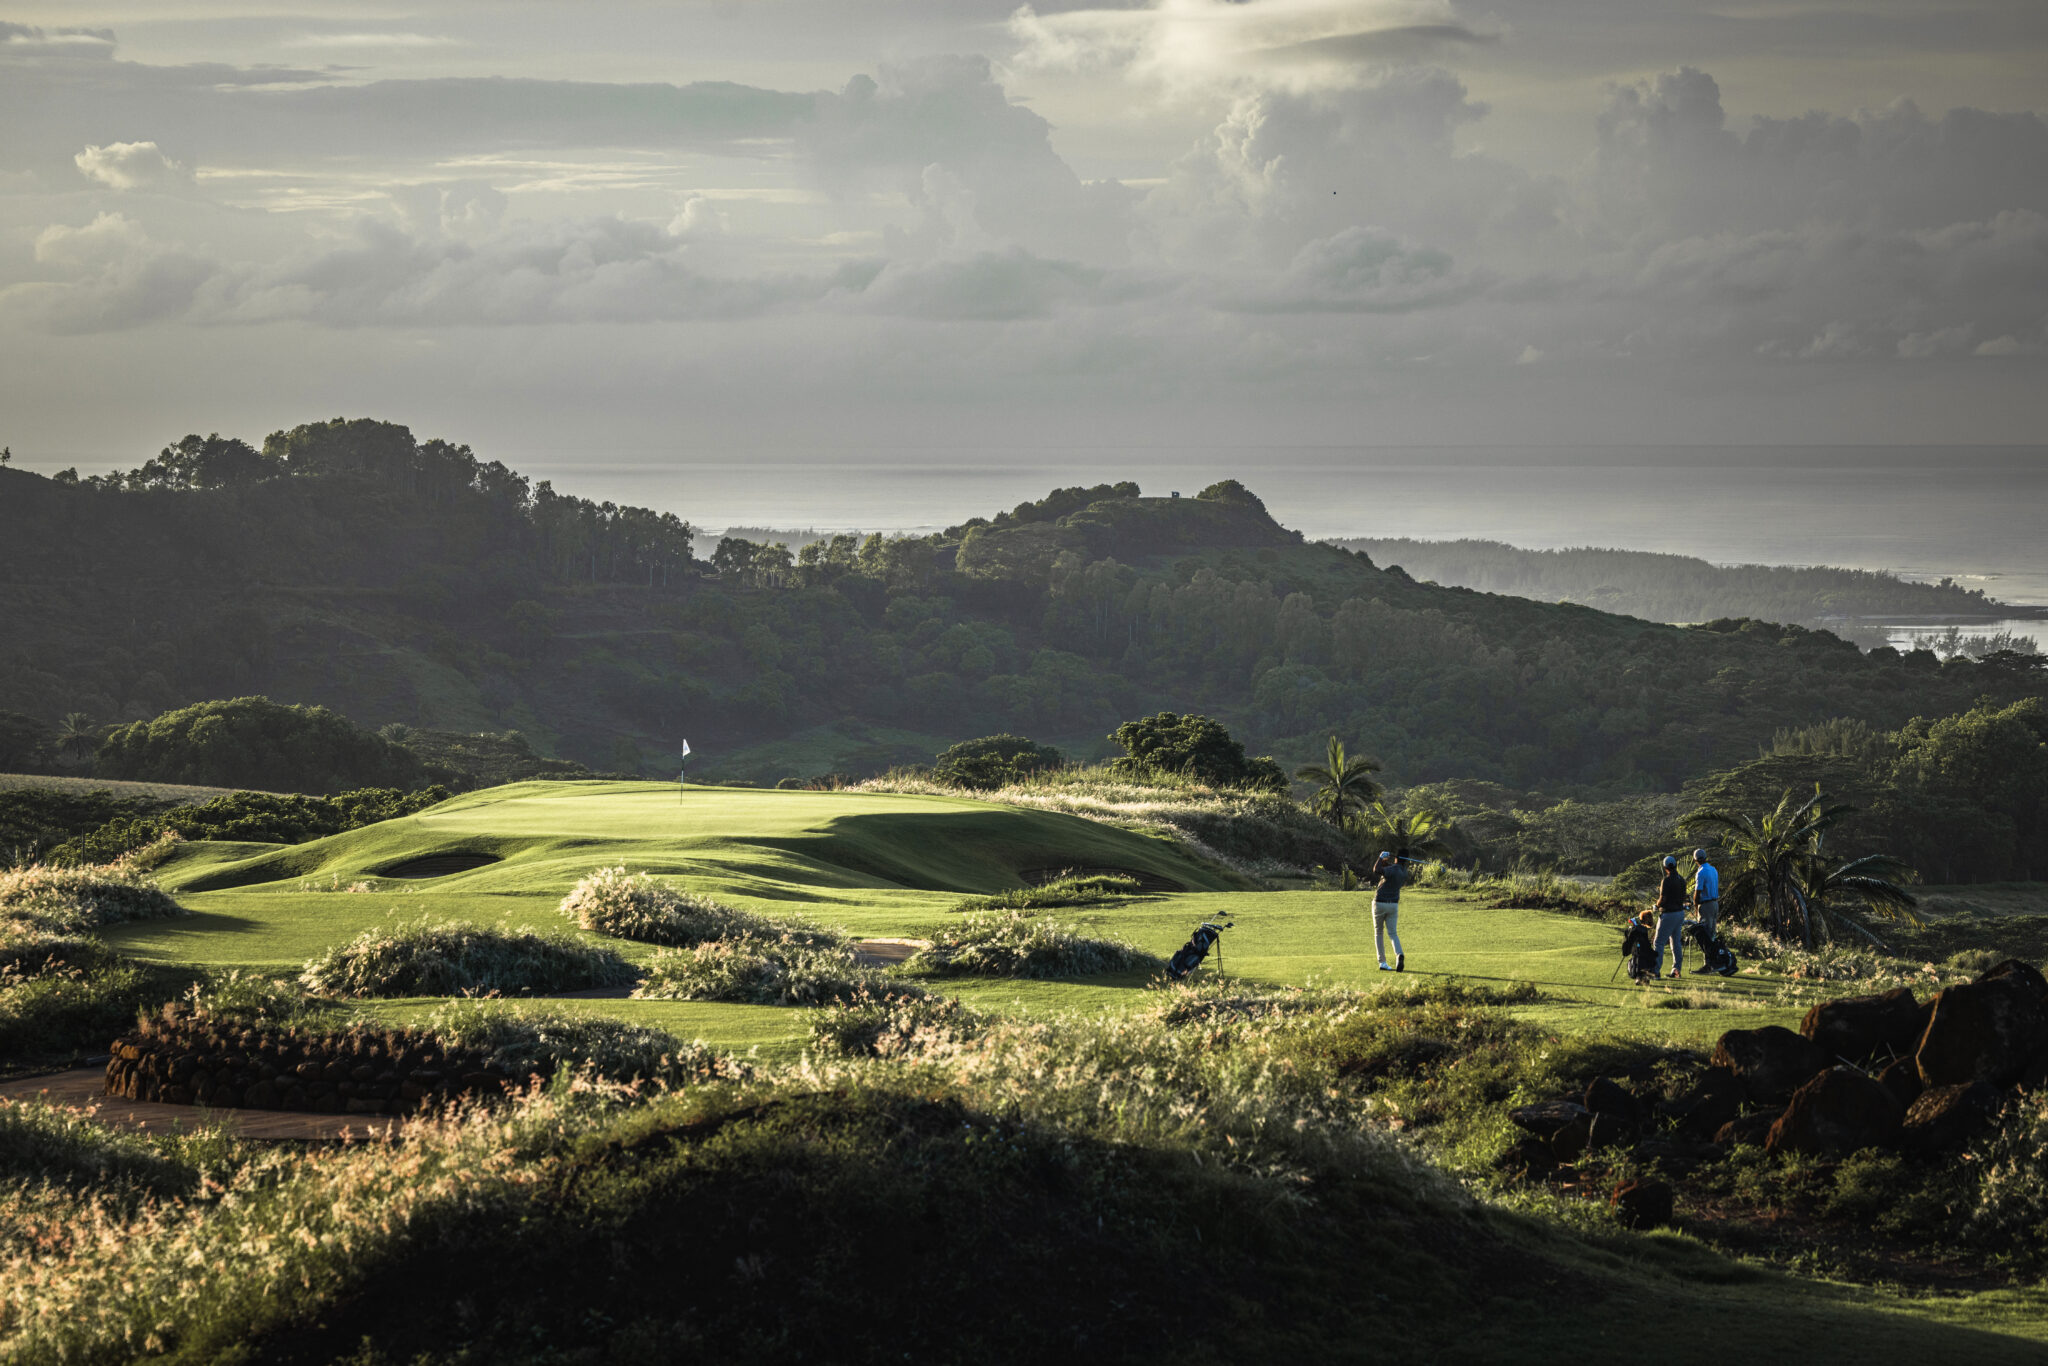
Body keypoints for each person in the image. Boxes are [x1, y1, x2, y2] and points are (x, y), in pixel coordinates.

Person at [1371, 847, 1410, 972]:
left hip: (1380, 903)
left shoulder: (1392, 869)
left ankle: (1382, 962)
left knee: (1379, 932)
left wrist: (1381, 857)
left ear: (1396, 858)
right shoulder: (1404, 872)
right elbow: (1387, 869)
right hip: (1393, 905)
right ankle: (1399, 954)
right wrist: (1385, 860)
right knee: (1393, 933)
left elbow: (1377, 870)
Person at [1653, 854, 1687, 979]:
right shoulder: (1681, 880)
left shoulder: (1666, 880)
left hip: (1668, 914)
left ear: (1665, 867)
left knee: (1658, 943)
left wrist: (1656, 906)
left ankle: (1655, 971)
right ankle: (1676, 970)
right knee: (1676, 942)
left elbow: (1663, 899)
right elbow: (1683, 897)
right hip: (1680, 913)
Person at [1689, 847, 1721, 969]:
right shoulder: (1713, 869)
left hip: (1706, 905)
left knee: (1704, 934)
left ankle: (1708, 964)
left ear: (1695, 860)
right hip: (1715, 903)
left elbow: (1698, 892)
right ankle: (1713, 962)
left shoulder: (1701, 872)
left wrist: (1695, 906)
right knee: (1712, 934)